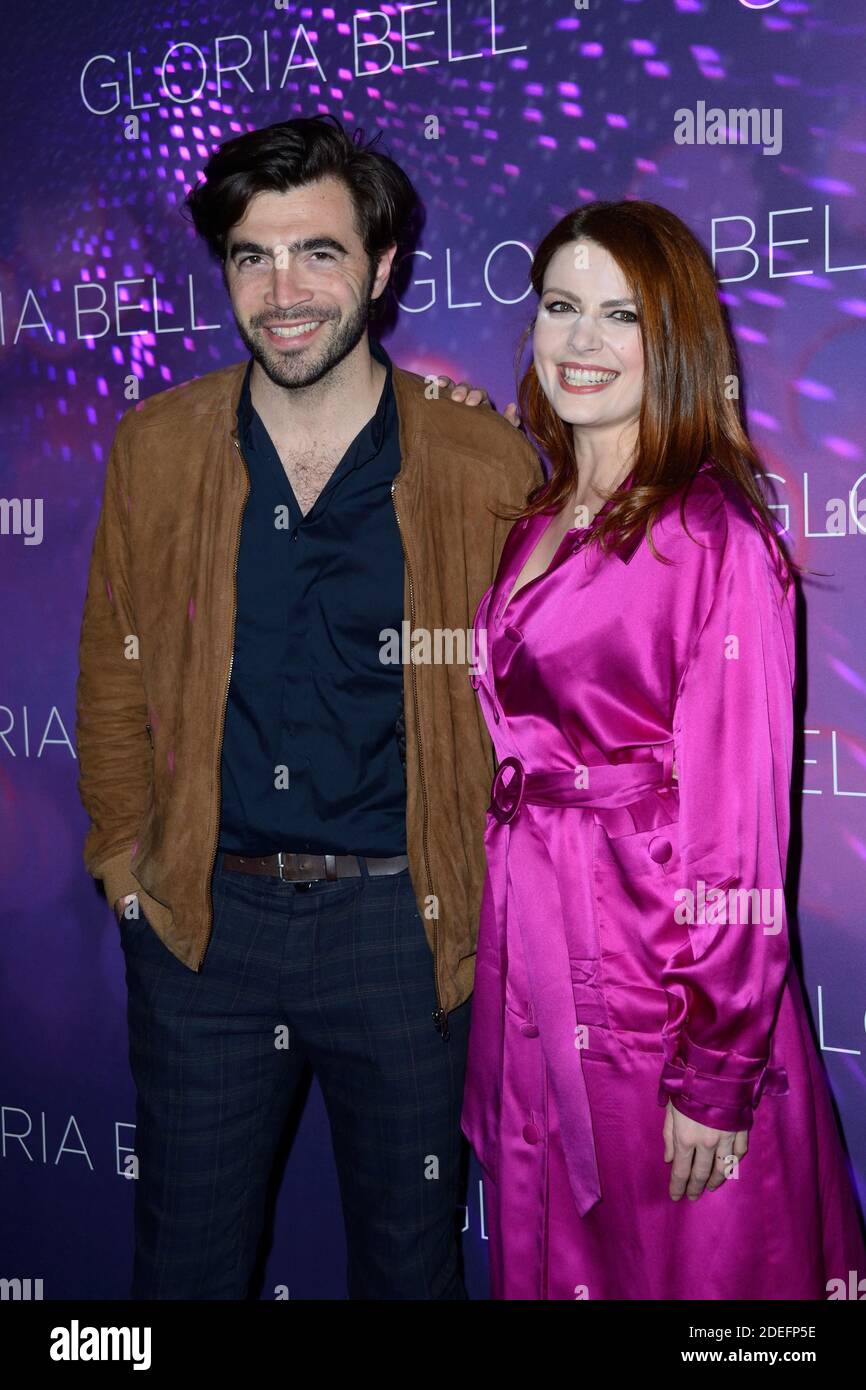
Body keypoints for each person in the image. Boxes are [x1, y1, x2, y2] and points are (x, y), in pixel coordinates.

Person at [75, 113, 541, 1300]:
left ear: (380, 269)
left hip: (408, 932)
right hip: (204, 930)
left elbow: (537, 708)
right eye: (251, 256)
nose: (282, 291)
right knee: (183, 1267)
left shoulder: (481, 467)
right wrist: (127, 867)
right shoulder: (158, 445)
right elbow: (114, 668)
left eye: (317, 253)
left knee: (408, 1267)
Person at [460, 199, 866, 1300]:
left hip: (658, 980)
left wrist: (718, 1066)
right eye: (560, 306)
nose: (580, 342)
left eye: (619, 315)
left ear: (674, 340)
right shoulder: (535, 516)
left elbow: (737, 836)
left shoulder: (711, 536)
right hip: (538, 952)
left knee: (687, 1272)